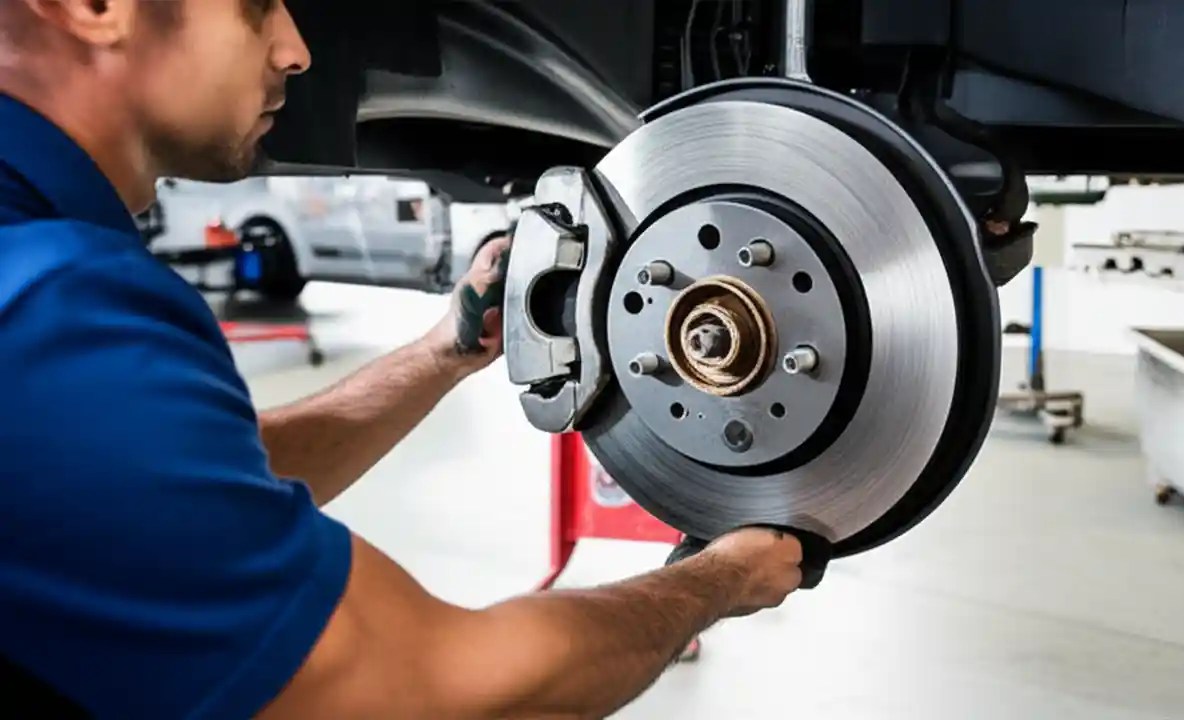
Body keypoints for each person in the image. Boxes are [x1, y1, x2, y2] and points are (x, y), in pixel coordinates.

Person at [0, 1, 806, 717]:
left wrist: (443, 353)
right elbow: (440, 687)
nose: (296, 47)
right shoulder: (53, 305)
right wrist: (721, 580)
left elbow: (181, 488)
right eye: (256, 5)